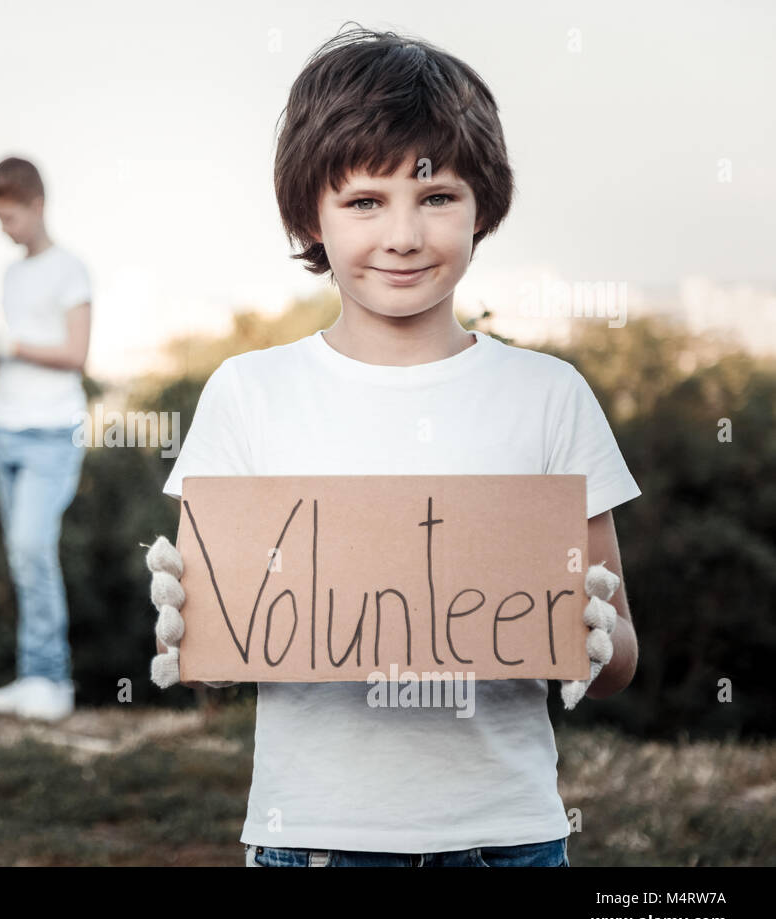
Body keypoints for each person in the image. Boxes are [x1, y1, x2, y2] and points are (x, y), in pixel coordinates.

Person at [146, 25, 642, 867]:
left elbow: (621, 653)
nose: (404, 235)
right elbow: (211, 658)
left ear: (483, 203)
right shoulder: (249, 392)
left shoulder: (549, 395)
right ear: (312, 214)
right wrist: (184, 637)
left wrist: (594, 642)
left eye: (437, 195)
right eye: (365, 201)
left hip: (508, 837)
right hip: (313, 840)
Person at [0, 157, 91, 722]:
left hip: (52, 432)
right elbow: (13, 353)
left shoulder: (71, 269)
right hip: (3, 427)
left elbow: (75, 355)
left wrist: (7, 344)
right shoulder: (10, 275)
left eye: (10, 215)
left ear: (37, 204)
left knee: (34, 548)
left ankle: (54, 682)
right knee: (19, 556)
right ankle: (31, 675)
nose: (4, 227)